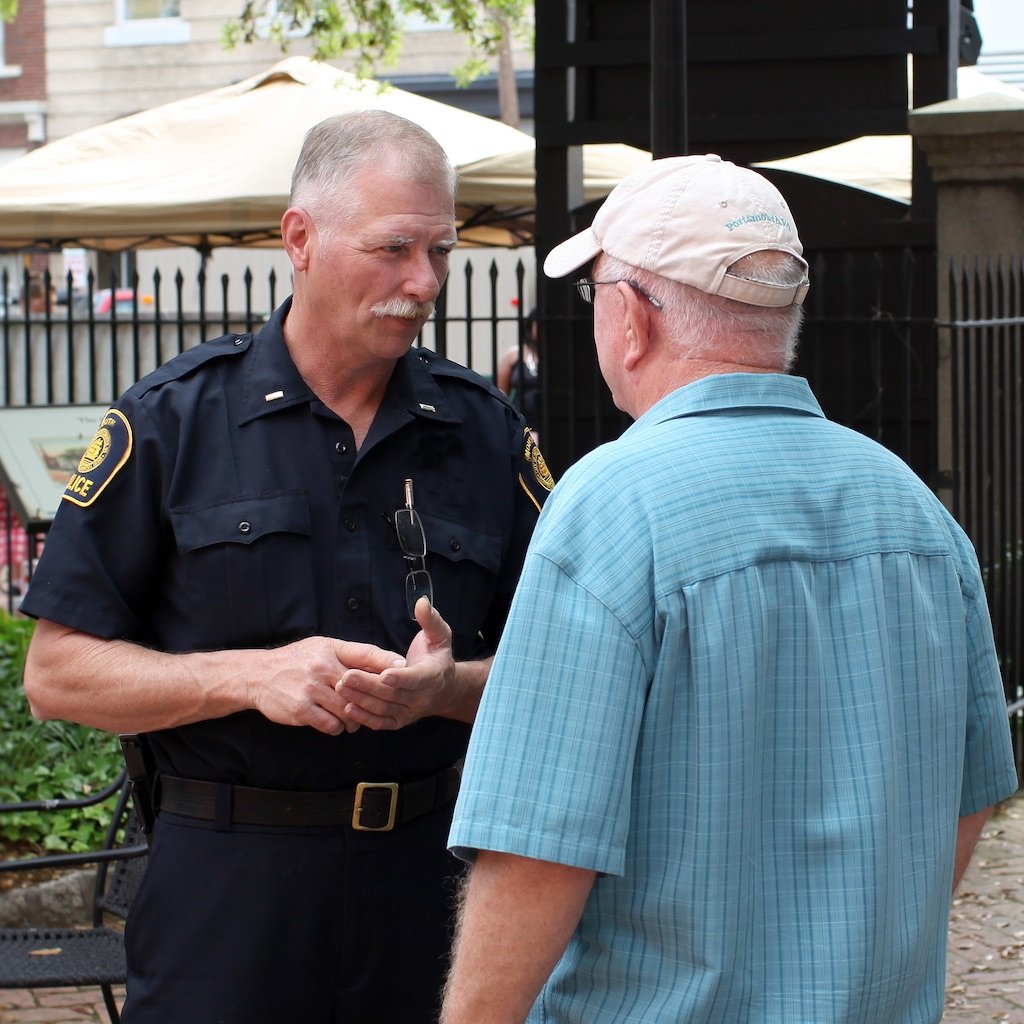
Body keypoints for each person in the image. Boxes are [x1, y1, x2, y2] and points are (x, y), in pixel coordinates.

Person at [440, 154, 1018, 1024]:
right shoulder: (917, 512)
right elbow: (972, 797)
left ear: (630, 317)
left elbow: (535, 853)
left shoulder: (608, 508)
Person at [20, 110, 551, 1024]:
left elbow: (563, 676)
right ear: (299, 239)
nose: (423, 283)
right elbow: (56, 675)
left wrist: (448, 689)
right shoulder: (171, 422)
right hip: (225, 892)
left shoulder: (486, 432)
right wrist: (251, 676)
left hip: (430, 887)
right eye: (392, 249)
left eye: (440, 251)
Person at [497, 307, 540, 434]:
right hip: (520, 424)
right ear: (530, 326)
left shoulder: (561, 354)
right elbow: (501, 390)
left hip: (552, 423)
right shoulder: (514, 354)